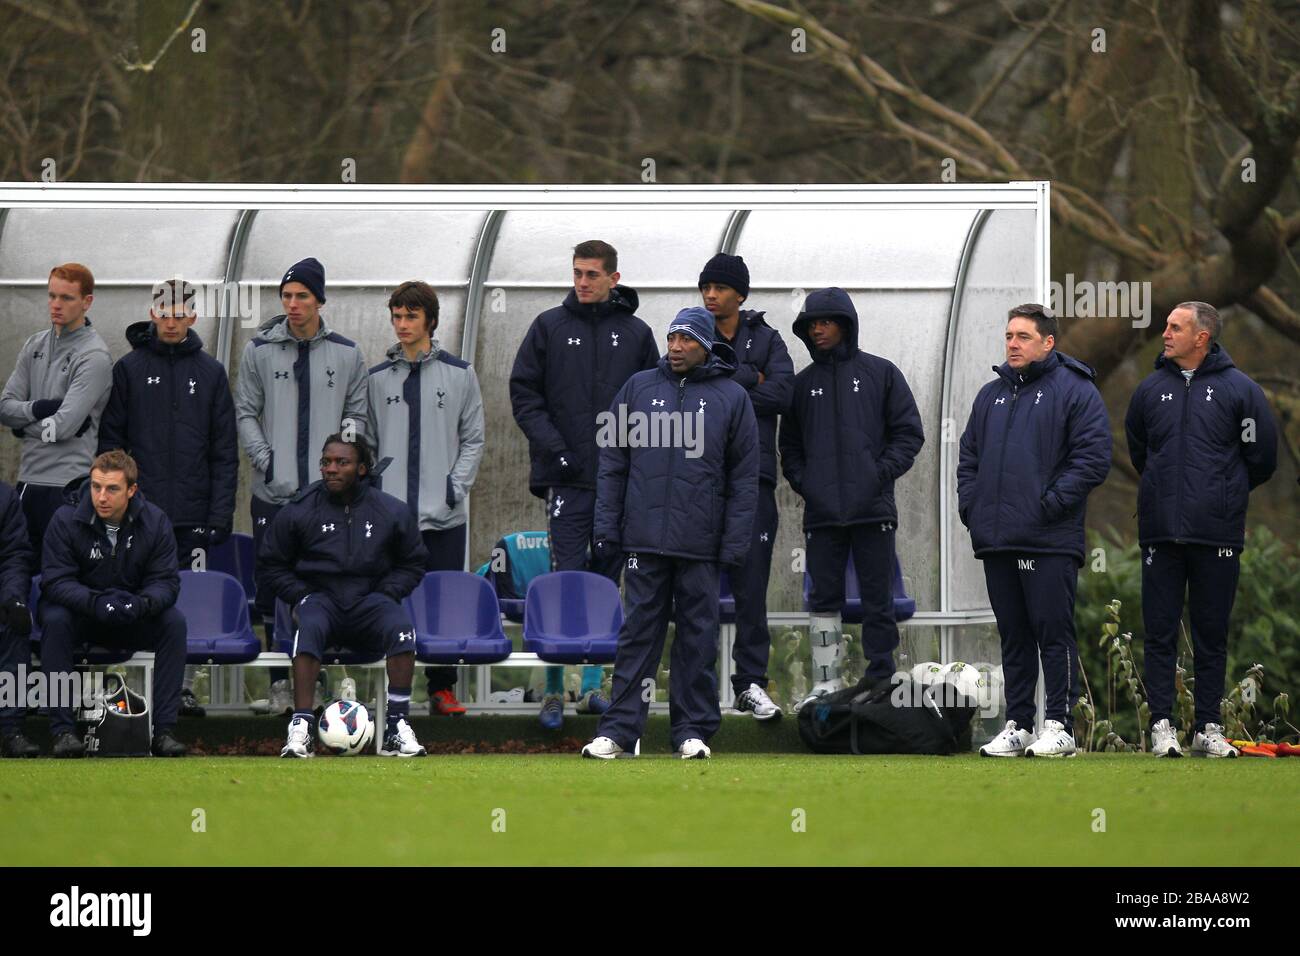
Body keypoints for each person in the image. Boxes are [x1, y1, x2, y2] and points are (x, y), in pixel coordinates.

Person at [582, 307, 758, 759]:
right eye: (672, 338)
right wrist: (606, 527)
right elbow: (612, 462)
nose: (676, 347)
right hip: (642, 541)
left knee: (698, 640)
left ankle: (692, 732)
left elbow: (744, 480)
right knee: (637, 638)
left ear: (707, 345)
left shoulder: (733, 397)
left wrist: (734, 544)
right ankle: (618, 732)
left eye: (687, 339)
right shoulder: (637, 388)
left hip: (702, 545)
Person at [510, 240, 658, 729]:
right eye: (577, 273)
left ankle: (593, 688)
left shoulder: (636, 334)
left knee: (605, 582)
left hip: (618, 484)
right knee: (565, 580)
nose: (582, 282)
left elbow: (653, 403)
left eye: (592, 274)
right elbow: (524, 393)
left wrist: (633, 461)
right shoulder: (549, 327)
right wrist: (556, 449)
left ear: (614, 278)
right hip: (565, 480)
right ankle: (554, 689)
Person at [1125, 301, 1278, 758]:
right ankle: (1162, 726)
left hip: (1217, 534)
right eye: (1167, 326)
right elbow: (1139, 451)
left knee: (1211, 633)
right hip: (1160, 534)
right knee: (1159, 632)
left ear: (1202, 337)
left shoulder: (1242, 391)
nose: (1165, 333)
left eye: (1176, 327)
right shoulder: (1149, 390)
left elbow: (1262, 458)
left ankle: (1208, 728)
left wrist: (1223, 494)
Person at [958, 304, 1110, 759]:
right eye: (1009, 335)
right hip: (998, 539)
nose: (1013, 344)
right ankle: (1020, 724)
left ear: (1048, 342)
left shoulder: (1076, 390)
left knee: (1052, 632)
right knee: (1014, 635)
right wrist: (973, 508)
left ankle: (1060, 726)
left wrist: (1048, 506)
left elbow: (1093, 458)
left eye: (1023, 336)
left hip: (1048, 539)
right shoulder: (990, 395)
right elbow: (968, 458)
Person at [98, 278, 238, 718]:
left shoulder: (211, 372)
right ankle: (129, 690)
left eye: (180, 314)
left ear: (193, 316)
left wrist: (219, 515)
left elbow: (225, 451)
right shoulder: (129, 369)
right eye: (164, 313)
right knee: (133, 594)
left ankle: (182, 689)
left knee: (189, 601)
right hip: (140, 516)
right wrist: (118, 504)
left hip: (194, 518)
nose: (172, 322)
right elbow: (110, 445)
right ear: (152, 313)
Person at [234, 257, 368, 714]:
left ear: (320, 301)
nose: (292, 304)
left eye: (302, 296)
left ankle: (322, 681)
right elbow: (246, 412)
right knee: (273, 589)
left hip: (327, 499)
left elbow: (356, 415)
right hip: (274, 495)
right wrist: (267, 462)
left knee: (323, 589)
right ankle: (279, 684)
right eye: (287, 296)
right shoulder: (259, 350)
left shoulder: (347, 353)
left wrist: (339, 470)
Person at [779, 288, 924, 712]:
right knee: (823, 600)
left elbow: (909, 434)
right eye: (811, 324)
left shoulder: (882, 373)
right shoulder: (802, 385)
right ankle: (826, 682)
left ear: (845, 325)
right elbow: (790, 449)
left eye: (825, 322)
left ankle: (881, 680)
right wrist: (809, 484)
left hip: (873, 512)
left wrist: (876, 475)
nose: (817, 330)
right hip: (822, 516)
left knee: (878, 599)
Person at [258, 435, 428, 758]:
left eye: (341, 462)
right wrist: (302, 594)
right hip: (320, 600)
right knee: (308, 626)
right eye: (326, 462)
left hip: (370, 600)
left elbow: (414, 562)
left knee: (402, 629)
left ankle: (397, 725)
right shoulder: (300, 509)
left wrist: (387, 592)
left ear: (362, 469)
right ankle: (301, 727)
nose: (331, 469)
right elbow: (270, 563)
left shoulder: (390, 510)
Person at [368, 280, 485, 716]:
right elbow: (367, 442)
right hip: (392, 517)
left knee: (444, 603)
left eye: (411, 316)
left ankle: (442, 689)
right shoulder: (376, 378)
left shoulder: (460, 373)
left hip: (444, 515)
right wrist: (377, 493)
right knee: (388, 601)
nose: (402, 324)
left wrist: (455, 487)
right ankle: (388, 692)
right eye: (396, 316)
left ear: (430, 321)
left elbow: (473, 439)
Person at [38, 450, 189, 758]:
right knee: (55, 619)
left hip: (130, 614)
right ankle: (62, 732)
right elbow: (55, 581)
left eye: (112, 489)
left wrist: (141, 604)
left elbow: (166, 583)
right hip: (83, 615)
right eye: (96, 487)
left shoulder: (155, 521)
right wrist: (95, 602)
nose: (101, 497)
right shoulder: (65, 518)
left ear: (131, 490)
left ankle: (164, 732)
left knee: (173, 622)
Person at [698, 253, 794, 719]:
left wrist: (725, 382)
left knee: (751, 587)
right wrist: (748, 377)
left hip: (754, 481)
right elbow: (688, 384)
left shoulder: (768, 338)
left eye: (719, 288)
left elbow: (783, 393)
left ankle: (750, 683)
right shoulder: (692, 331)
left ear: (740, 294)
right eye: (706, 287)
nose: (710, 295)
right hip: (700, 481)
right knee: (697, 588)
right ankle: (696, 685)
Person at [0, 263, 112, 555]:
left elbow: (61, 428)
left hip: (68, 487)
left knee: (59, 573)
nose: (56, 304)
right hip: (27, 481)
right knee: (20, 569)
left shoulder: (94, 356)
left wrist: (21, 427)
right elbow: (4, 408)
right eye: (52, 296)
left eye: (66, 298)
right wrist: (39, 408)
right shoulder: (34, 344)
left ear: (87, 301)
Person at [0, 480, 36, 757]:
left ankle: (10, 730)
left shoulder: (5, 497)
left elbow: (15, 557)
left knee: (15, 621)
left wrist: (13, 598)